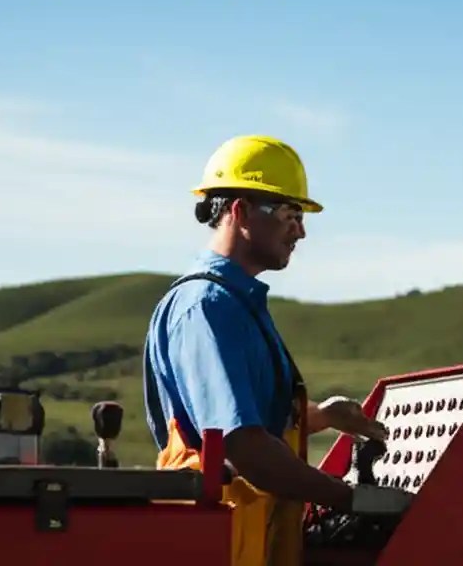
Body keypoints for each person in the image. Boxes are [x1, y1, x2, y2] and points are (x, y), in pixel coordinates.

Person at [142, 134, 412, 566]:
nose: (301, 231)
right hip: (222, 545)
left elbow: (242, 413)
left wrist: (322, 416)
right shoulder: (207, 308)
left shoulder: (234, 302)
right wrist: (352, 498)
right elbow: (243, 446)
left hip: (249, 541)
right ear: (240, 211)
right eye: (290, 214)